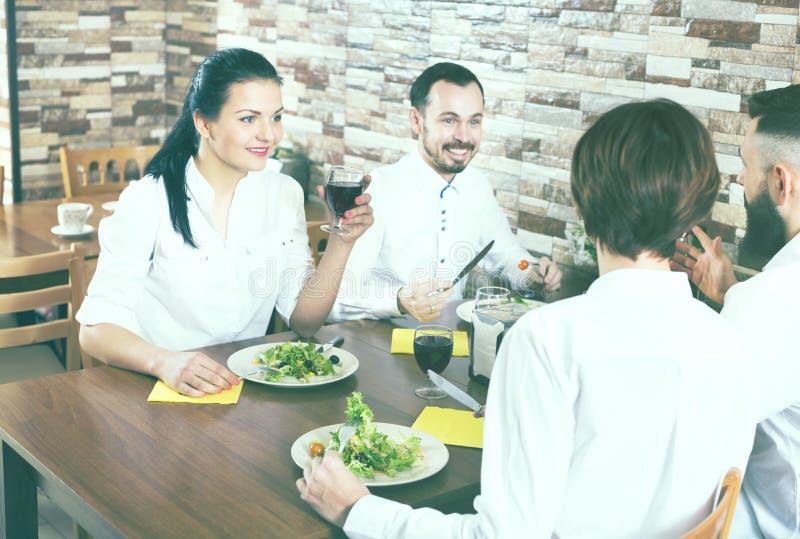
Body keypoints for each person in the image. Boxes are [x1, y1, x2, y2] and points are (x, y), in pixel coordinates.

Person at [297, 99, 800, 538]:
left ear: (583, 209)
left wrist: (359, 510)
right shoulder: (734, 341)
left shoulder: (546, 339)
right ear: (696, 212)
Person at [76, 48, 373, 397]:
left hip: (246, 391)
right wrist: (164, 362)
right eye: (248, 119)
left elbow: (304, 320)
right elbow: (95, 330)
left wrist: (342, 241)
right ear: (203, 122)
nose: (268, 135)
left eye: (275, 117)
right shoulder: (148, 199)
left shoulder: (283, 193)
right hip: (159, 389)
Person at [327, 62, 561, 323]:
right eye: (449, 120)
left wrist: (533, 273)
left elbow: (508, 258)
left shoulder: (477, 186)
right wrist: (400, 300)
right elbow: (339, 298)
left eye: (474, 121)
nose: (463, 136)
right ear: (416, 120)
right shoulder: (379, 191)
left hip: (452, 345)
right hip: (380, 344)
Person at [672, 84, 800, 539]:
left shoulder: (774, 300)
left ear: (780, 182)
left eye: (746, 167)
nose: (740, 182)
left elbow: (686, 427)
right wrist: (731, 294)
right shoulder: (771, 297)